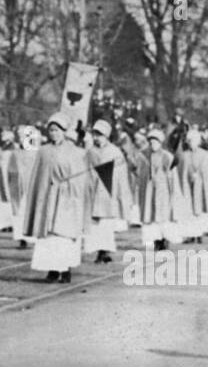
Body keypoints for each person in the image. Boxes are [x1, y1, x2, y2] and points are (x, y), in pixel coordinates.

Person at [21, 113, 89, 283]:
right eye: (51, 130)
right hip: (47, 199)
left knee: (64, 235)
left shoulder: (74, 152)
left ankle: (65, 269)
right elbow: (38, 176)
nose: (53, 133)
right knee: (49, 236)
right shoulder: (43, 151)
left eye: (57, 130)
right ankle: (52, 269)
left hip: (67, 199)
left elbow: (80, 179)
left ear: (64, 131)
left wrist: (68, 189)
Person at [84, 119, 135, 263]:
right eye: (94, 134)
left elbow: (121, 176)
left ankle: (104, 251)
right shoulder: (90, 152)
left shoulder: (114, 152)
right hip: (93, 191)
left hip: (108, 192)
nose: (96, 138)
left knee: (106, 224)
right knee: (95, 224)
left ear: (106, 135)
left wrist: (122, 195)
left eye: (99, 135)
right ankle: (98, 250)